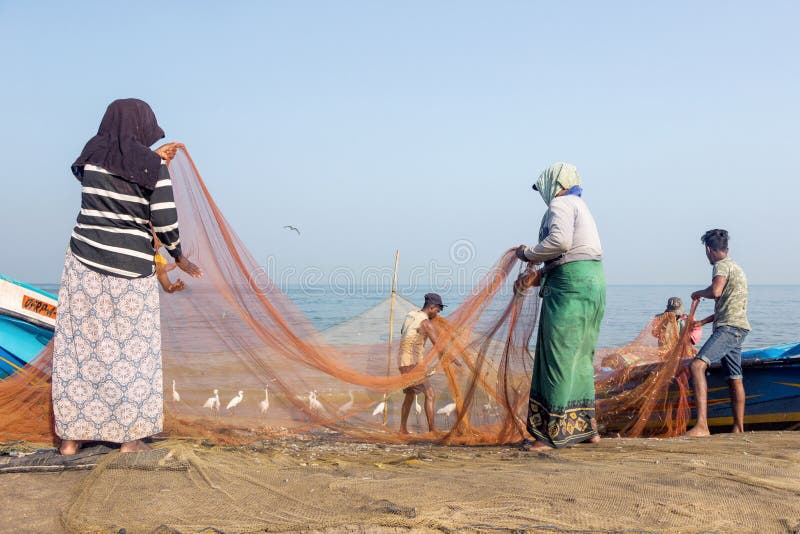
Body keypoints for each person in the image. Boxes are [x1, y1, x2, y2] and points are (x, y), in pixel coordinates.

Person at [52, 99, 202, 455]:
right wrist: (178, 256)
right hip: (130, 272)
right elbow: (165, 222)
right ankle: (129, 439)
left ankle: (72, 440)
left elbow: (113, 176)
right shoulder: (152, 166)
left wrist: (154, 161)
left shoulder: (91, 154)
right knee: (132, 353)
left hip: (82, 263)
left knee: (79, 350)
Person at [515, 162, 605, 449]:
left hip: (569, 289)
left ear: (554, 183)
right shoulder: (580, 205)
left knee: (556, 358)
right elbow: (575, 255)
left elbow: (560, 242)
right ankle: (588, 429)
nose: (543, 193)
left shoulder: (561, 203)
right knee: (579, 358)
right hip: (591, 285)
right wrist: (537, 277)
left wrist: (527, 254)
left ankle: (548, 436)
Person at [685, 229, 750, 436]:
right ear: (727, 249)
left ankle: (702, 426)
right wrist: (702, 322)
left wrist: (698, 293)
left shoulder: (721, 266)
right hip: (738, 327)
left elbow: (716, 292)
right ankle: (738, 428)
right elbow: (728, 306)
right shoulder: (736, 267)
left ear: (708, 250)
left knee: (697, 366)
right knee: (734, 377)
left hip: (729, 328)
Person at [398, 293, 445, 434]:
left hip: (402, 361)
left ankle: (402, 429)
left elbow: (403, 332)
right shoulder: (425, 323)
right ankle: (432, 430)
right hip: (413, 363)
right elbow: (438, 346)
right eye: (437, 311)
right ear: (431, 307)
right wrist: (452, 360)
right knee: (430, 394)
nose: (437, 315)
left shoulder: (410, 315)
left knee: (410, 395)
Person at [152, 229, 186, 293]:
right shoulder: (157, 259)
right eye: (159, 239)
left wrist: (172, 288)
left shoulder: (158, 259)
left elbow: (167, 287)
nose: (162, 244)